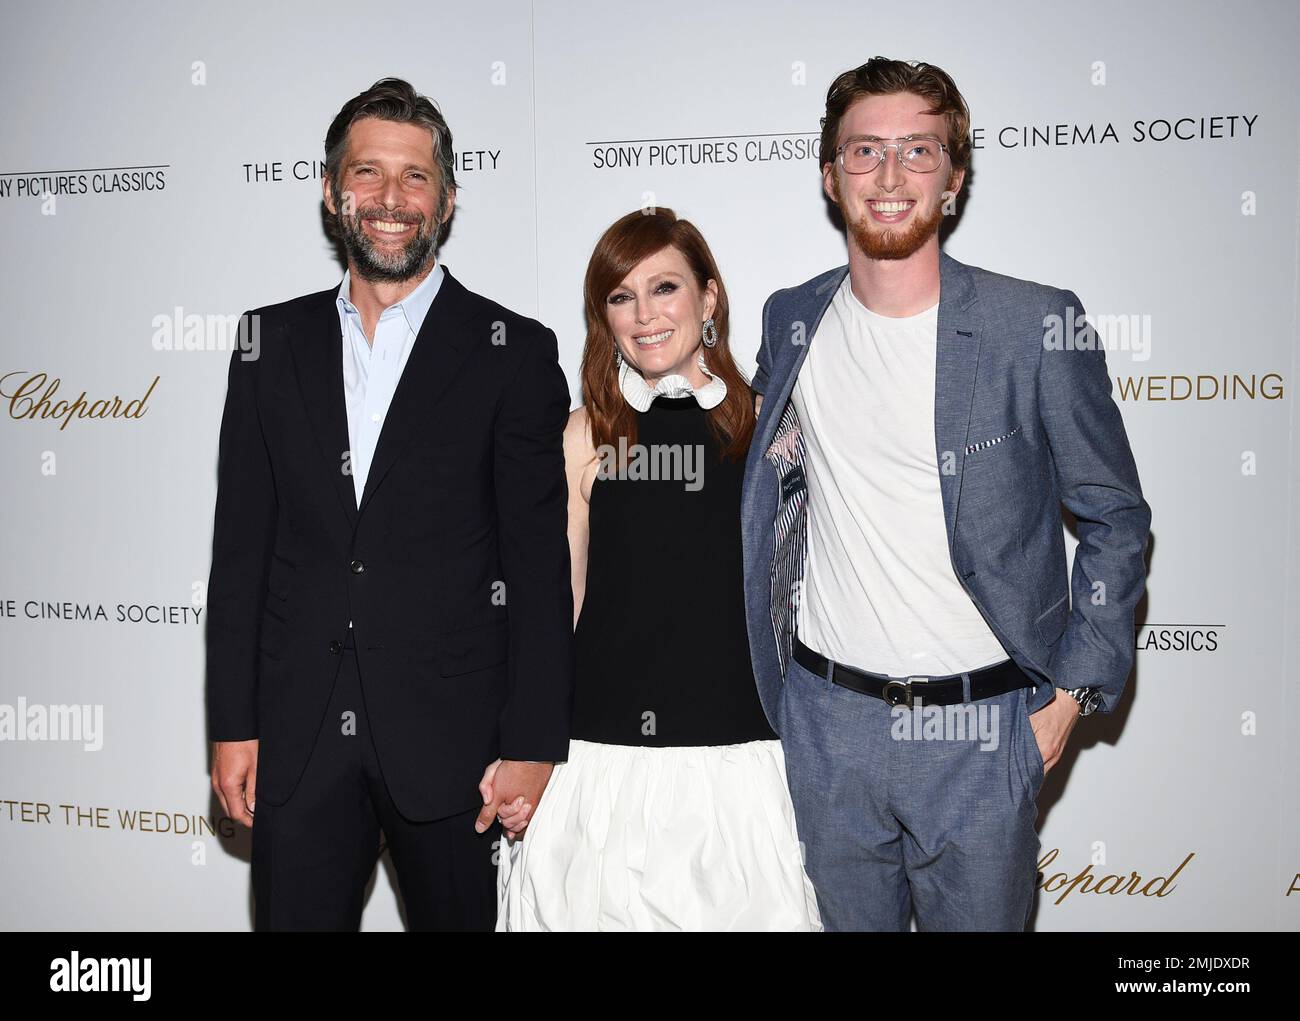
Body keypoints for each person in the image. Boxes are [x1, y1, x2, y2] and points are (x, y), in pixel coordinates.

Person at [742, 57, 1151, 931]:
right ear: (829, 175)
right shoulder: (791, 320)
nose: (889, 178)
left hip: (981, 733)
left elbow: (1116, 516)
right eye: (864, 152)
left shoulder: (1034, 324)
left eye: (918, 152)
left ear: (955, 178)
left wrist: (1070, 698)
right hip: (827, 722)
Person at [205, 78, 573, 931]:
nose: (390, 200)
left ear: (446, 201)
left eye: (415, 178)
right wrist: (232, 724)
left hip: (458, 750)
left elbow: (536, 567)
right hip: (296, 740)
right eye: (367, 174)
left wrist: (531, 743)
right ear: (334, 193)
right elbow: (240, 552)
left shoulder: (511, 351)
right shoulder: (269, 342)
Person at [495, 208, 821, 931]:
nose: (644, 314)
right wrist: (528, 743)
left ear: (708, 300)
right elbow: (559, 607)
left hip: (738, 767)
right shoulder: (587, 434)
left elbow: (805, 596)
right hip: (599, 766)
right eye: (620, 296)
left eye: (664, 288)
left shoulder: (770, 430)